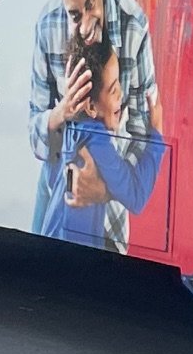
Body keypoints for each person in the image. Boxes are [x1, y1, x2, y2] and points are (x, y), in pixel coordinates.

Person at [29, 0, 162, 250]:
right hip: (57, 202)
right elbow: (35, 136)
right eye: (75, 15)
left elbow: (138, 132)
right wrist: (61, 112)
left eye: (91, 5)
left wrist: (101, 188)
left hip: (103, 215)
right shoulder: (47, 25)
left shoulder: (133, 24)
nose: (87, 25)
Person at [39, 33, 165, 247]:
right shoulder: (96, 138)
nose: (121, 95)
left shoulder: (69, 127)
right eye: (113, 90)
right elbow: (136, 197)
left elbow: (52, 178)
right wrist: (157, 136)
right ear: (90, 106)